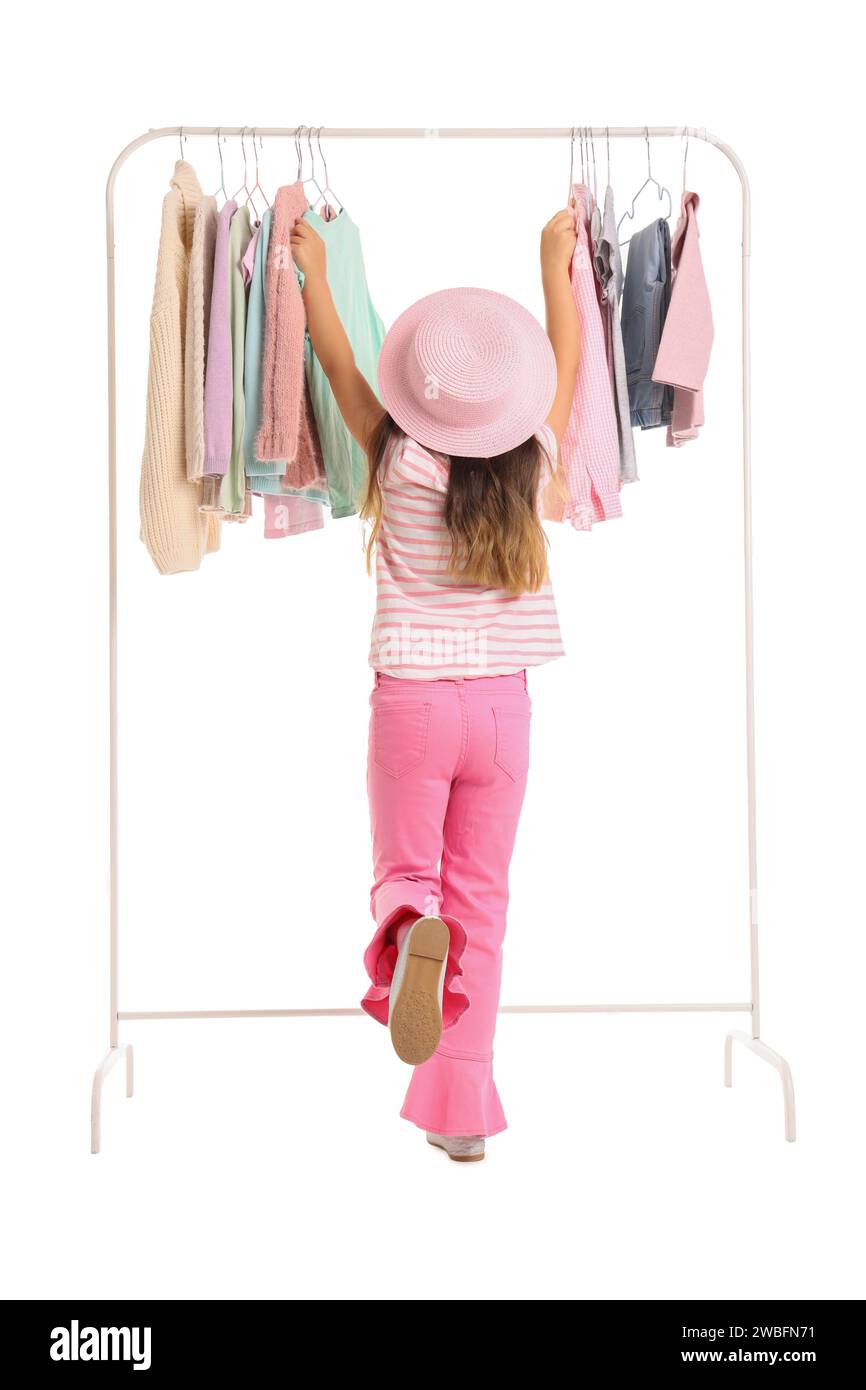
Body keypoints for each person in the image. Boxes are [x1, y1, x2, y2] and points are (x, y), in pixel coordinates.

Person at [291, 209, 579, 1161]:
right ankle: (462, 1120)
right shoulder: (533, 459)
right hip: (502, 711)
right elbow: (568, 351)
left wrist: (315, 277)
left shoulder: (398, 456)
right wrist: (552, 261)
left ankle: (411, 928)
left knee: (407, 875)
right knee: (485, 901)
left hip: (412, 704)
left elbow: (338, 369)